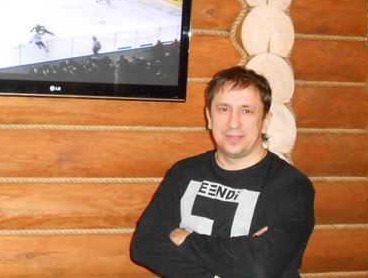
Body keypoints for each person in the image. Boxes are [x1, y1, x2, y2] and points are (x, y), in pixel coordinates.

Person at [131, 66, 315, 278]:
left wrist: (185, 238)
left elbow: (260, 266)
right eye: (224, 109)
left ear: (265, 122)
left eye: (246, 111)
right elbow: (145, 246)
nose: (233, 123)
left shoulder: (291, 186)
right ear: (209, 117)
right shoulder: (183, 173)